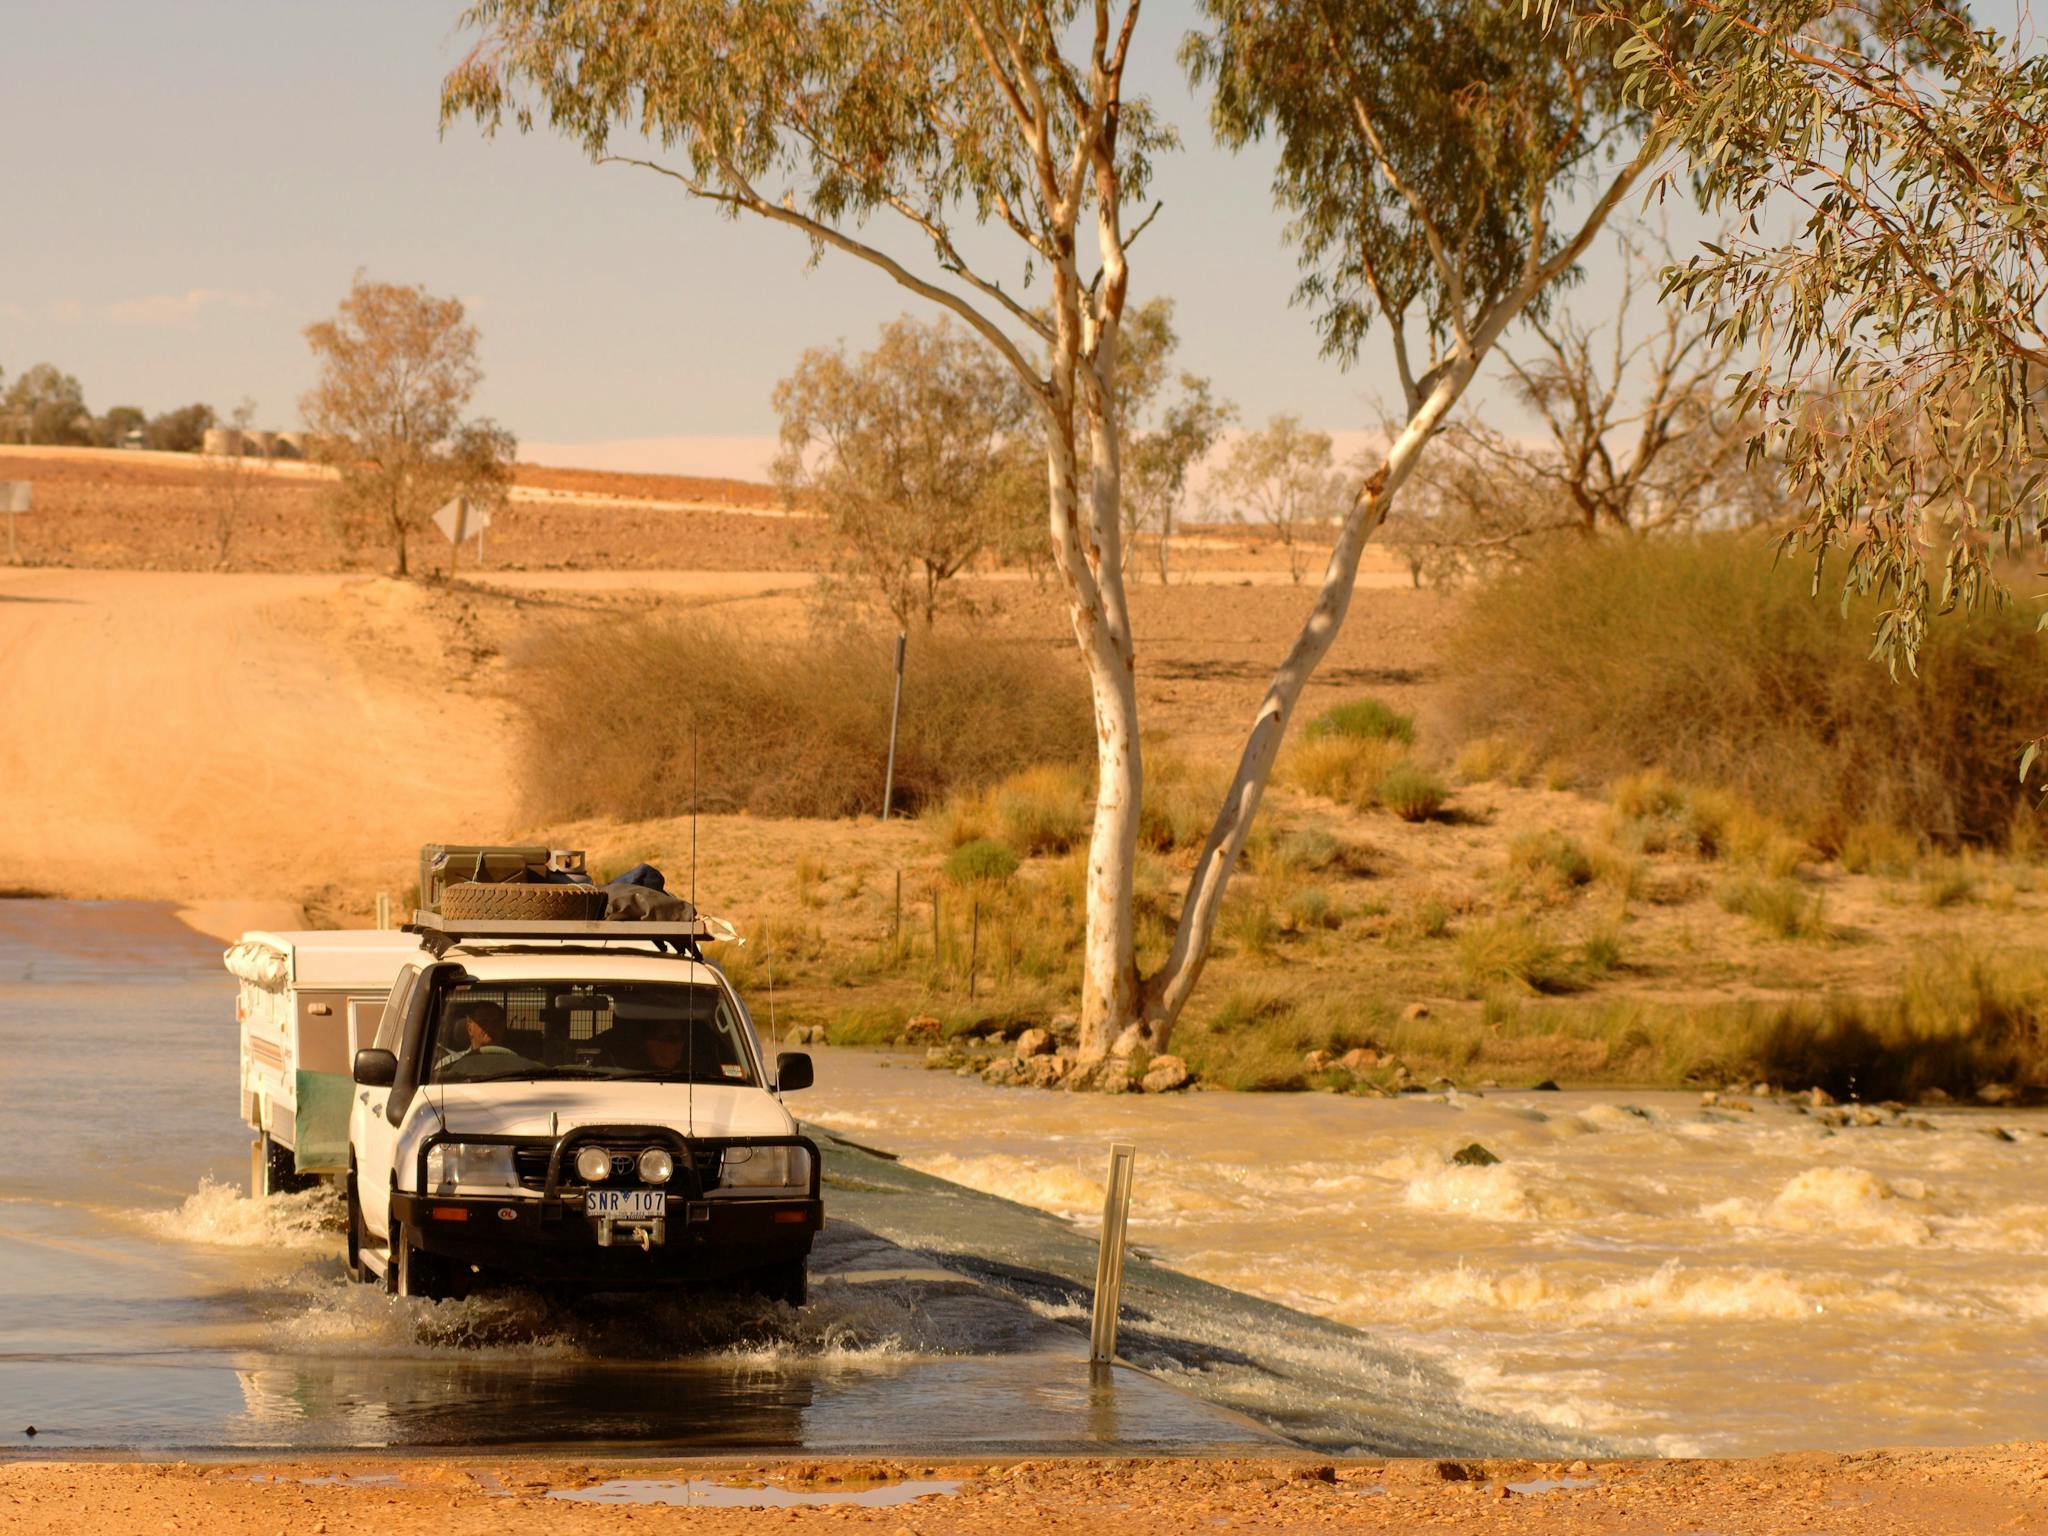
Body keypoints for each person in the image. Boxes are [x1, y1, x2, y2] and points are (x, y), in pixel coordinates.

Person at [435, 999, 515, 1070]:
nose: (490, 1027)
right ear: (470, 1028)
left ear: (502, 1027)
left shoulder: (516, 1064)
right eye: (483, 1022)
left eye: (495, 1022)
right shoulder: (449, 1065)